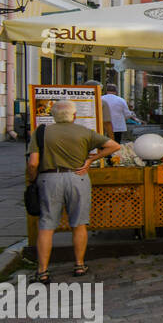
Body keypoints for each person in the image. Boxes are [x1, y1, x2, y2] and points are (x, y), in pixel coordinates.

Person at [26, 100, 121, 283]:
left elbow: (33, 163)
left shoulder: (41, 132)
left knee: (46, 225)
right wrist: (91, 160)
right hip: (78, 177)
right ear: (74, 115)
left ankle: (42, 271)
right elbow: (114, 146)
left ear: (52, 115)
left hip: (50, 178)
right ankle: (79, 264)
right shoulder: (83, 131)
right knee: (79, 223)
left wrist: (32, 178)